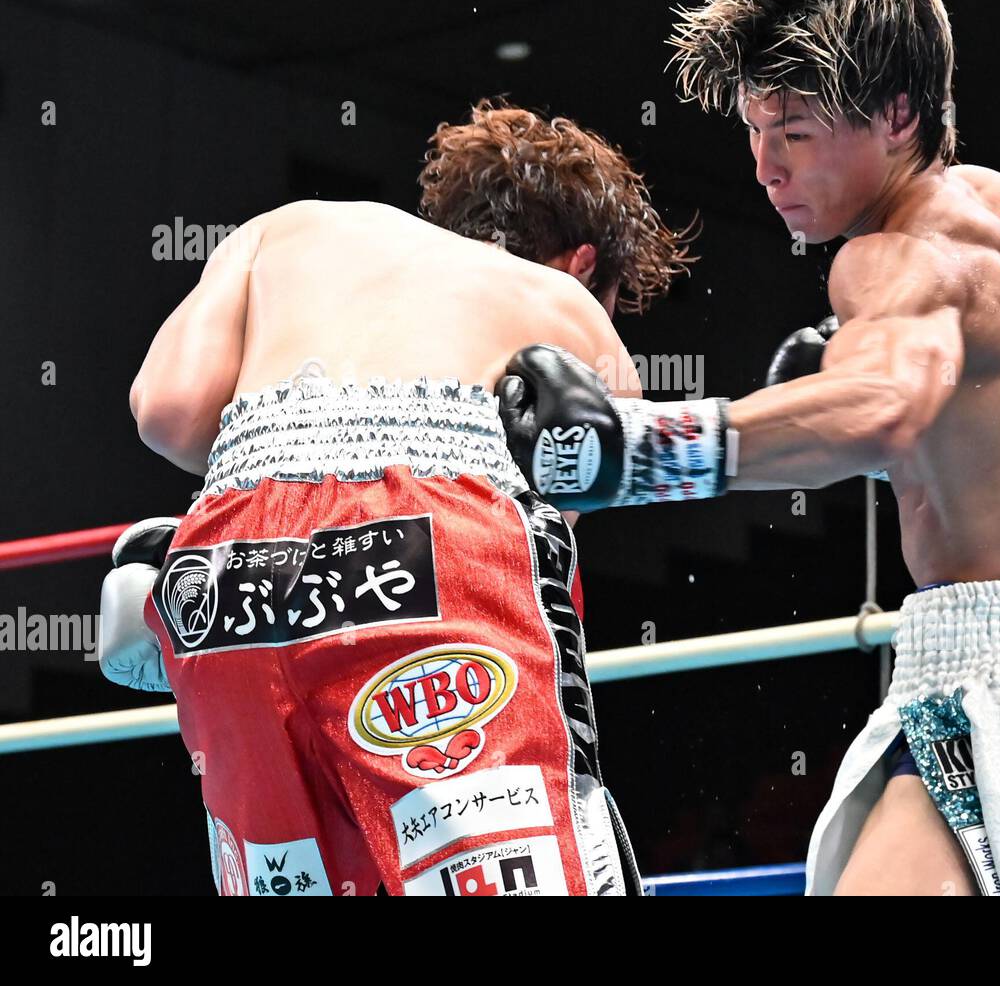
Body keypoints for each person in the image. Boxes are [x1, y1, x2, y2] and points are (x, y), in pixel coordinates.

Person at [491, 0, 1000, 896]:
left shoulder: (889, 254)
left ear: (896, 114)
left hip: (998, 695)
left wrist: (636, 447)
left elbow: (883, 405)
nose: (764, 168)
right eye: (756, 130)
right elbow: (943, 412)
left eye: (795, 132)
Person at [99, 99, 690, 896]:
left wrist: (293, 511)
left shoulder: (285, 229)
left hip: (224, 569)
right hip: (432, 551)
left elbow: (166, 416)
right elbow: (579, 491)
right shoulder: (565, 304)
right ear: (585, 262)